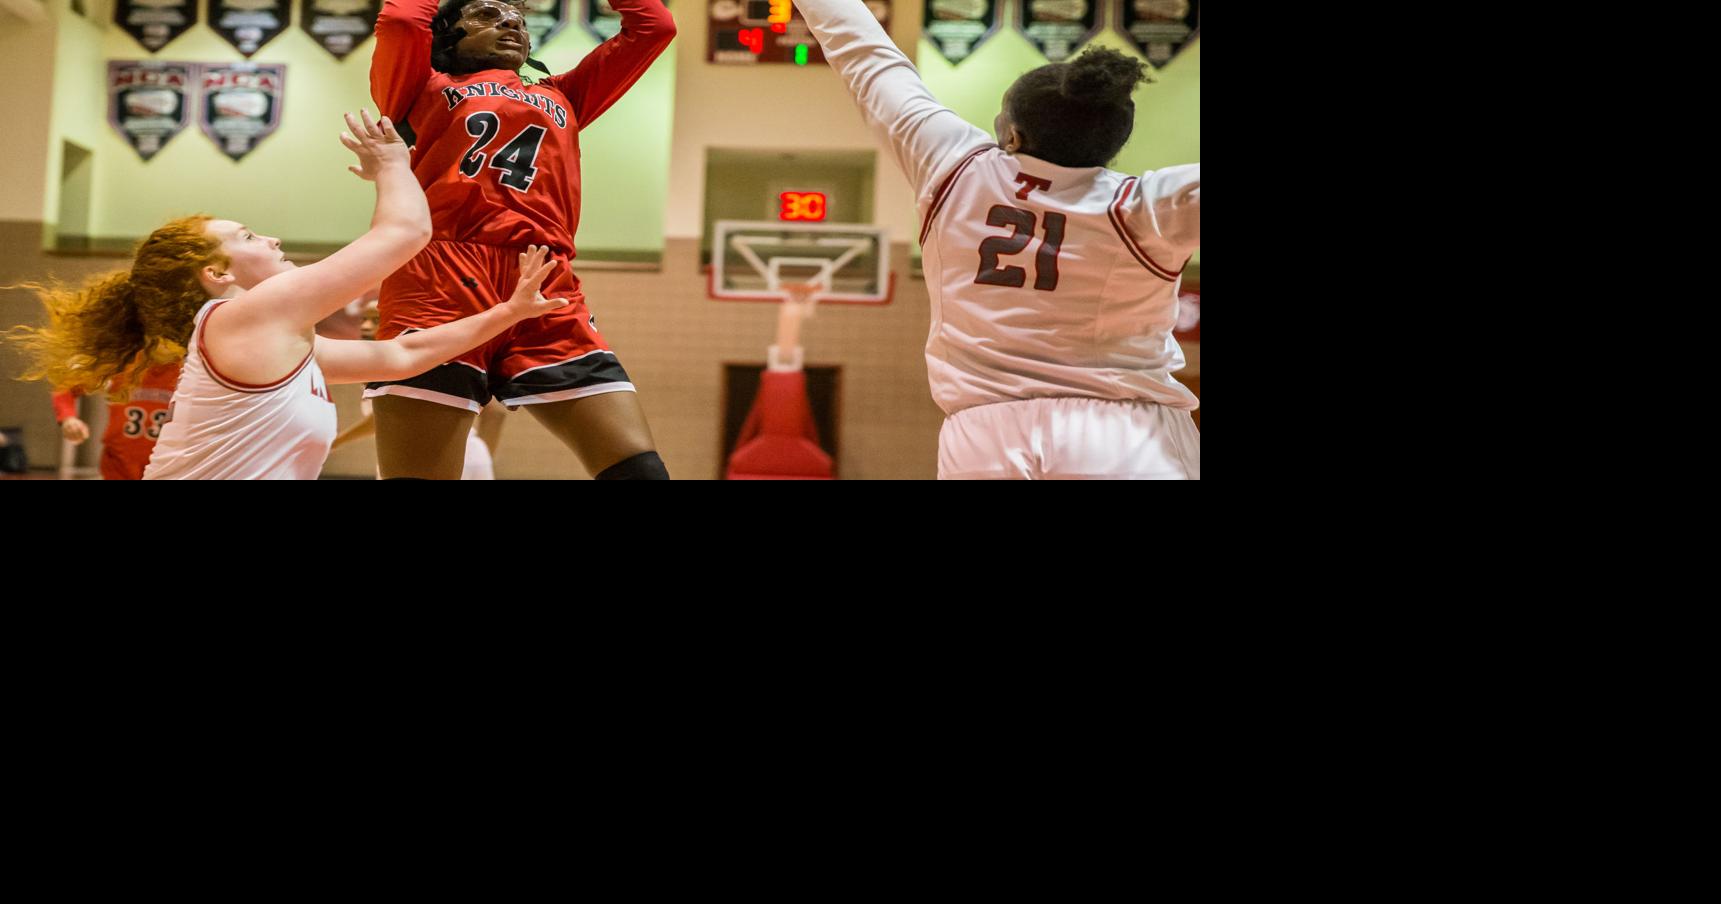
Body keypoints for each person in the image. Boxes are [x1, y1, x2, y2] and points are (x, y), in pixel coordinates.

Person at [7, 111, 567, 479]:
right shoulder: (239, 318)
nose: (270, 237)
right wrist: (394, 162)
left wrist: (509, 311)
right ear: (217, 275)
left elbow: (404, 356)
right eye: (247, 237)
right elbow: (405, 234)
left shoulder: (275, 338)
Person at [794, 0, 1200, 479]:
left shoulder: (953, 165)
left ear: (1011, 136)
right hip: (1124, 436)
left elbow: (863, 50)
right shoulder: (1150, 205)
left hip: (984, 438)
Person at [366, 0, 675, 479]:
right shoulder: (419, 86)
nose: (509, 22)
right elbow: (403, 19)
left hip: (545, 281)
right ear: (448, 34)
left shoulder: (565, 92)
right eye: (486, 16)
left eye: (518, 20)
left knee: (640, 472)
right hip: (442, 279)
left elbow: (654, 27)